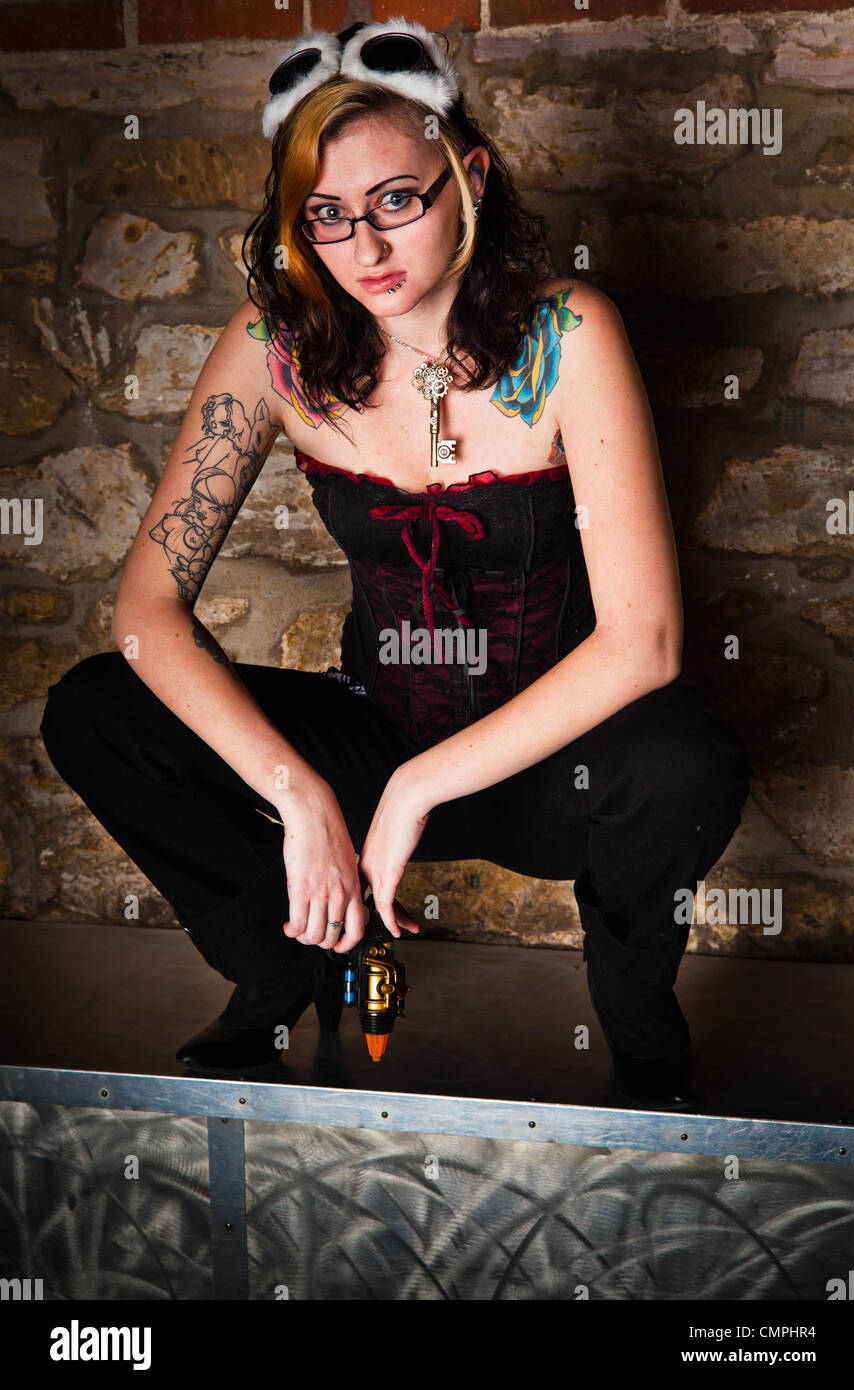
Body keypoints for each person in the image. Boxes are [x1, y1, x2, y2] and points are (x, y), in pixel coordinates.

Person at [39, 18, 753, 1110]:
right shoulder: (269, 349)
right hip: (372, 732)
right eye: (325, 216)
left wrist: (418, 788)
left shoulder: (570, 332)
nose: (363, 249)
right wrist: (304, 794)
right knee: (96, 708)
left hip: (549, 762)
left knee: (684, 761)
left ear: (466, 179)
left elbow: (643, 641)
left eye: (395, 202)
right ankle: (282, 968)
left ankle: (635, 1015)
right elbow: (144, 609)